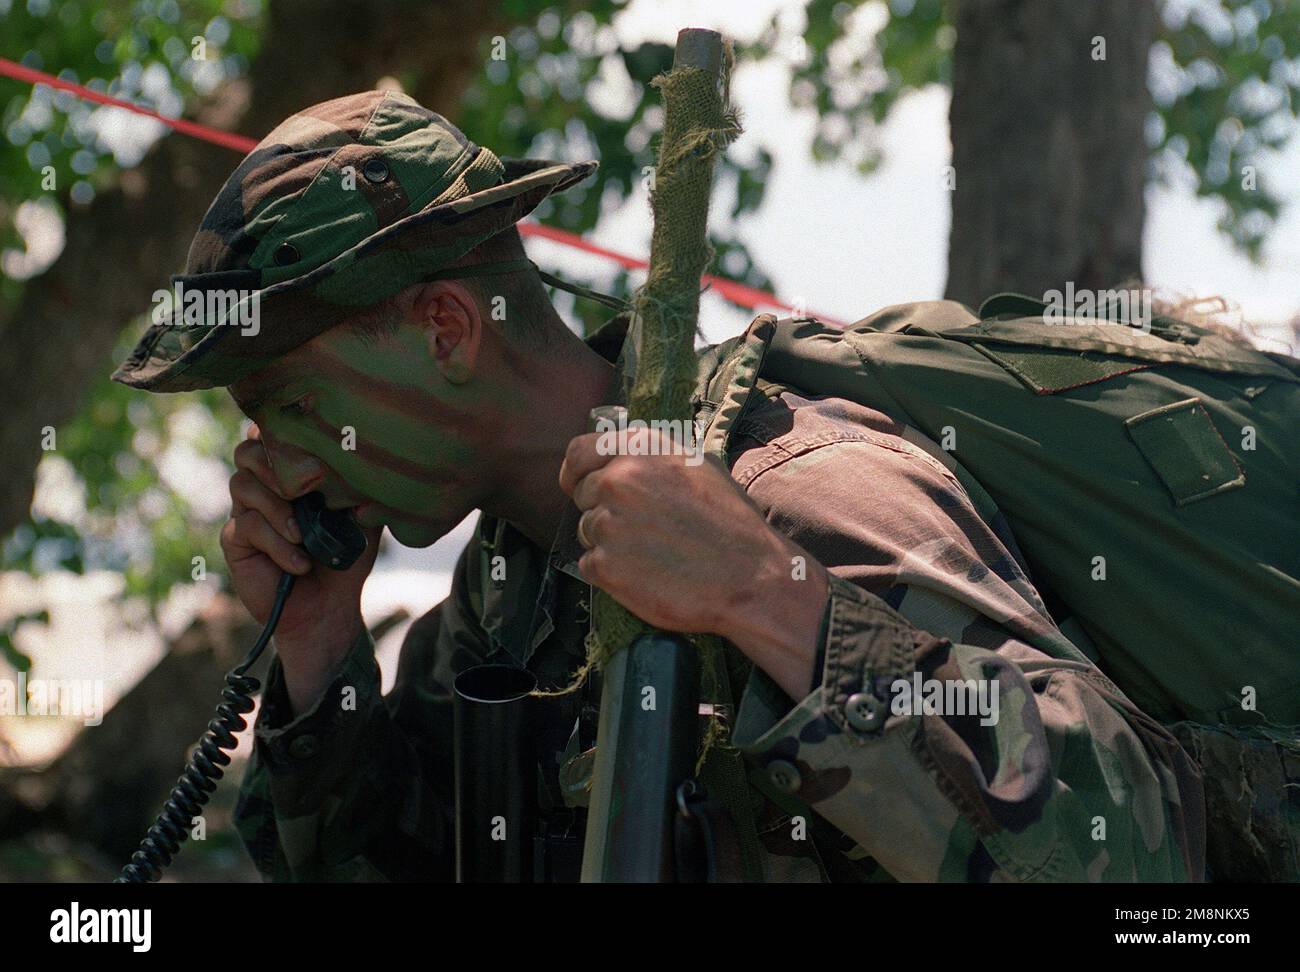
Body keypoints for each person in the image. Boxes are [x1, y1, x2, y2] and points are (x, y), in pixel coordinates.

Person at [113, 89, 1205, 882]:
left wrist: (771, 600)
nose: (280, 469)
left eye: (293, 409)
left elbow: (1138, 854)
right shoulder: (505, 598)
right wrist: (313, 649)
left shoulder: (800, 494)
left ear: (444, 329)